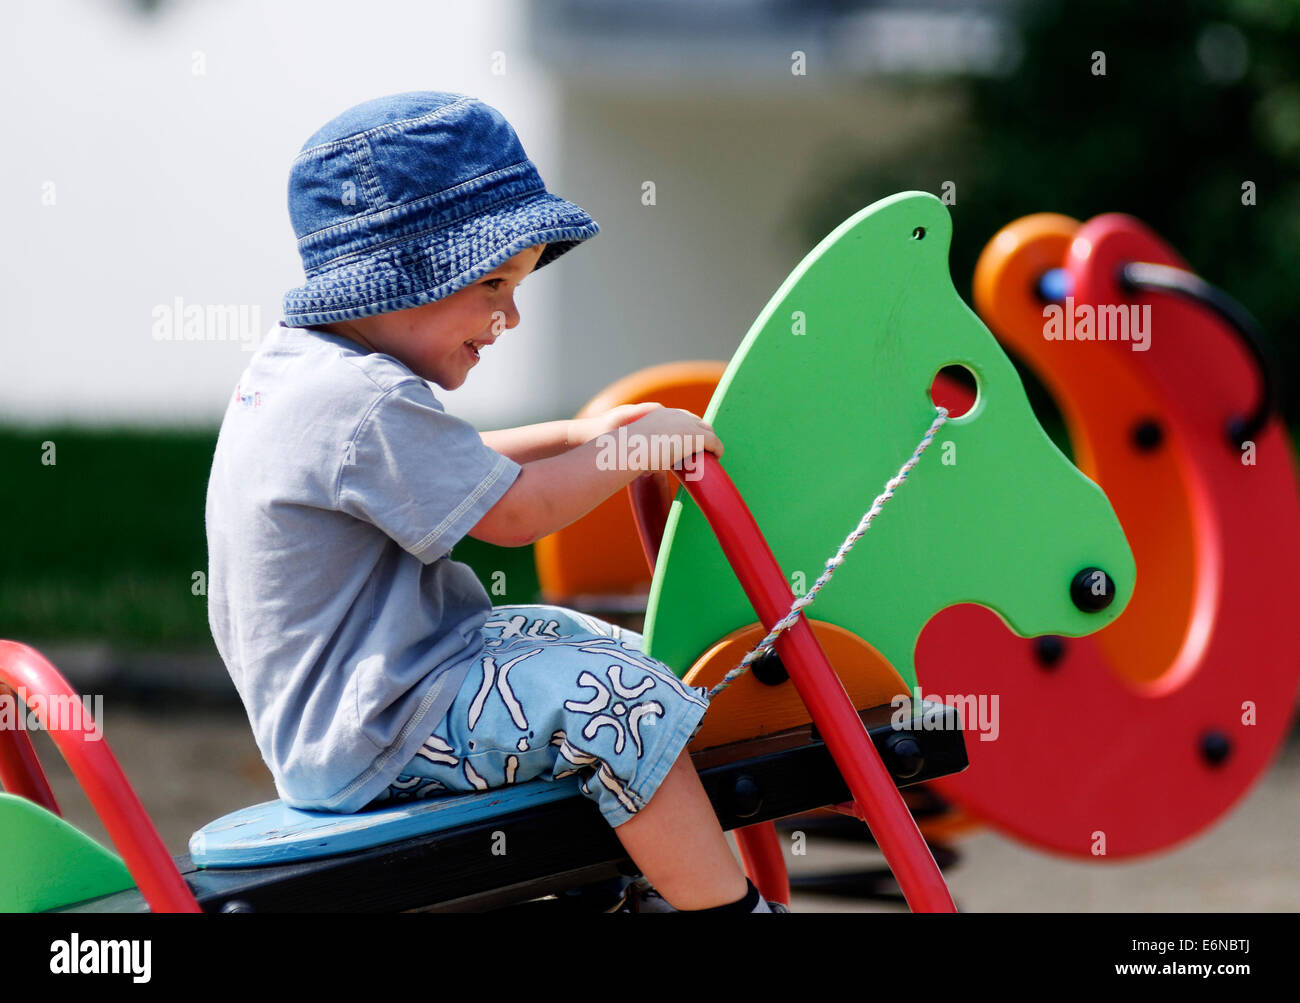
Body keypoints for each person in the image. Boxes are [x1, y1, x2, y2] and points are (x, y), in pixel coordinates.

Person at [205, 91, 784, 913]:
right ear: (401, 274)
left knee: (568, 638)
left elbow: (464, 467)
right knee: (614, 701)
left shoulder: (306, 373)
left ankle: (621, 882)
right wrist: (635, 448)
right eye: (491, 283)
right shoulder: (362, 400)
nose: (510, 314)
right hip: (384, 725)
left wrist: (586, 432)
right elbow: (513, 515)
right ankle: (722, 907)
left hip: (358, 714)